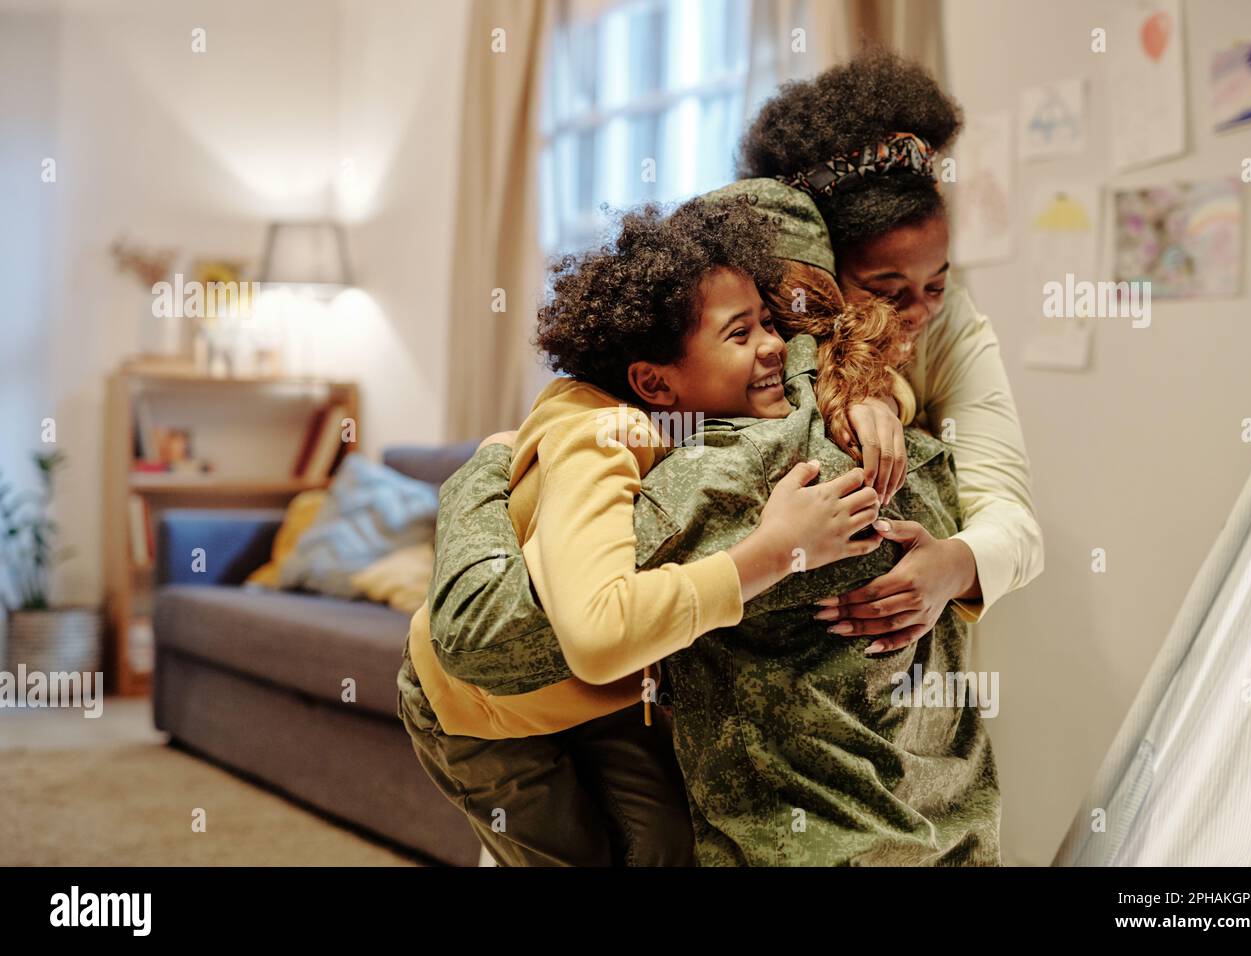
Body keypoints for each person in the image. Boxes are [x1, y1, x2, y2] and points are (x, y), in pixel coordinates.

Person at [399, 192, 912, 866]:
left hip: (600, 699)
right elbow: (599, 636)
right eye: (740, 333)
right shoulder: (602, 436)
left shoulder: (693, 416)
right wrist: (774, 552)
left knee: (670, 847)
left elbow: (812, 370)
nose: (772, 346)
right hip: (480, 712)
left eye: (766, 322)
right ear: (654, 382)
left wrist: (877, 396)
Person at [737, 46, 1044, 648]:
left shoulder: (950, 318)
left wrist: (950, 567)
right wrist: (855, 390)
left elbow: (1014, 522)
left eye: (937, 281)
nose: (919, 311)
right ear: (818, 270)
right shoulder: (759, 323)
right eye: (885, 289)